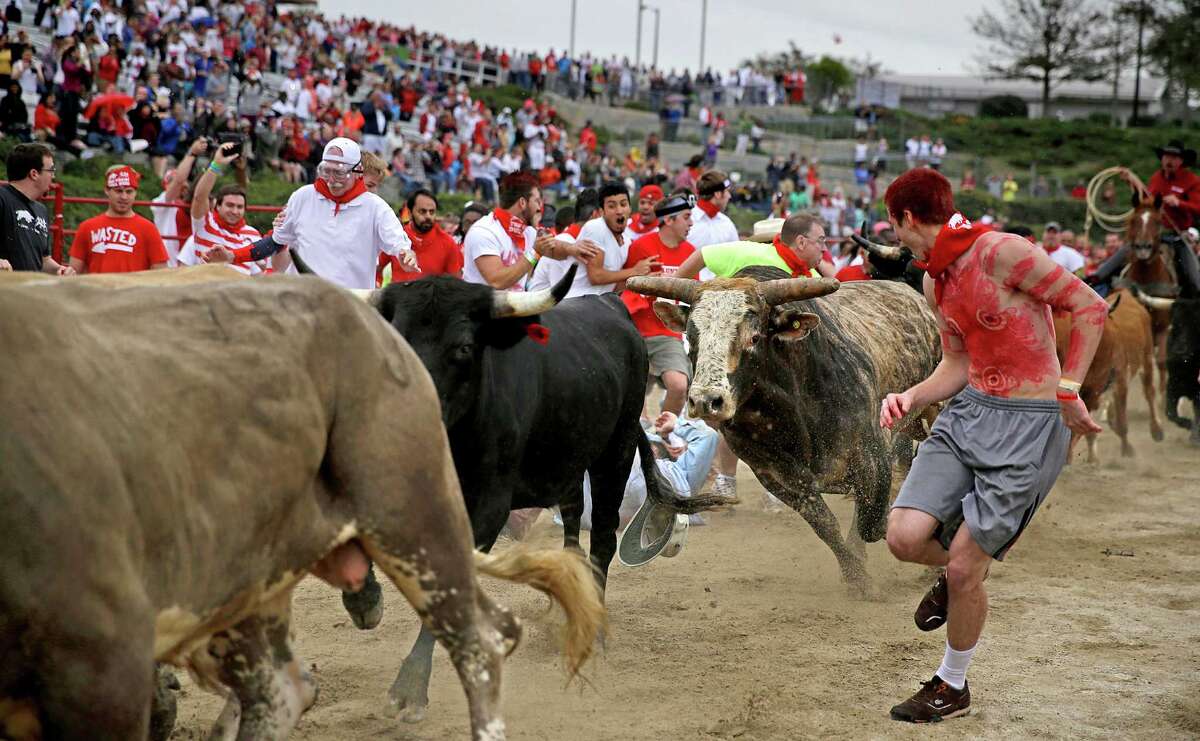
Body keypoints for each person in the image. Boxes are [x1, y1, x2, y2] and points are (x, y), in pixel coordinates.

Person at [879, 168, 1106, 723]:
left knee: (963, 571)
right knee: (904, 537)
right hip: (969, 413)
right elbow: (958, 362)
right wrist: (910, 394)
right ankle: (957, 574)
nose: (895, 237)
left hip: (1031, 422)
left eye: (893, 224)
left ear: (907, 218)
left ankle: (952, 685)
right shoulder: (936, 280)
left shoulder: (1002, 252)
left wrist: (1069, 388)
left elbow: (1090, 307)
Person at [210, 138, 416, 289]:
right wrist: (232, 256)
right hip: (303, 300)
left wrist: (406, 256)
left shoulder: (376, 207)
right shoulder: (303, 196)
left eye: (340, 173)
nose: (332, 180)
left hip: (350, 307)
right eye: (328, 171)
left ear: (357, 171)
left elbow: (399, 246)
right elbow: (275, 242)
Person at [620, 194, 696, 415]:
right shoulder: (641, 246)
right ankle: (639, 434)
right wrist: (650, 284)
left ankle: (665, 434)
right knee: (633, 396)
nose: (691, 223)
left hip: (667, 335)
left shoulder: (691, 252)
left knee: (679, 386)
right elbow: (621, 288)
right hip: (636, 331)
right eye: (686, 217)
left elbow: (695, 296)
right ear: (669, 220)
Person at [179, 143, 264, 274]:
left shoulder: (253, 234)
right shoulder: (206, 225)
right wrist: (216, 164)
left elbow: (258, 276)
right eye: (230, 205)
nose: (235, 211)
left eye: (239, 207)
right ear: (217, 206)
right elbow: (199, 197)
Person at [68, 165, 168, 274]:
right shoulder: (87, 227)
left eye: (129, 192)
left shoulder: (148, 229)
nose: (124, 197)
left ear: (135, 193)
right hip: (97, 290)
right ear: (107, 190)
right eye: (118, 191)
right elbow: (73, 272)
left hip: (132, 290)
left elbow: (161, 273)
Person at [0, 143, 71, 273]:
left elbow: (43, 260)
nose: (53, 176)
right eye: (51, 171)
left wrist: (59, 270)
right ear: (34, 174)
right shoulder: (2, 198)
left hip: (28, 290)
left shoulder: (41, 210)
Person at [377, 189, 462, 285]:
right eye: (422, 211)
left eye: (432, 212)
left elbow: (456, 283)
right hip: (398, 298)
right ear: (409, 213)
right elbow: (376, 267)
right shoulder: (395, 238)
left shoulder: (448, 243)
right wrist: (376, 285)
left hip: (431, 299)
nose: (428, 216)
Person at [151, 136, 209, 266]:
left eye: (185, 185)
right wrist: (192, 153)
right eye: (172, 182)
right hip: (170, 264)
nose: (181, 186)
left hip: (193, 262)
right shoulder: (161, 203)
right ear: (166, 186)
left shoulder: (195, 202)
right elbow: (179, 181)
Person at [1130, 139, 1200, 232]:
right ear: (1162, 159)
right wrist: (1133, 182)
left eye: (1174, 157)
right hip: (1152, 230)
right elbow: (1147, 200)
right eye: (1166, 156)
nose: (1169, 161)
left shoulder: (1192, 180)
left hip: (1177, 233)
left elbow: (1197, 208)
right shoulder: (1156, 177)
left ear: (1181, 161)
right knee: (1126, 246)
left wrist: (1179, 203)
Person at [687, 171, 739, 257]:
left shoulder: (727, 223)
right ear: (718, 194)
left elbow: (736, 256)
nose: (729, 196)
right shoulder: (686, 220)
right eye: (727, 191)